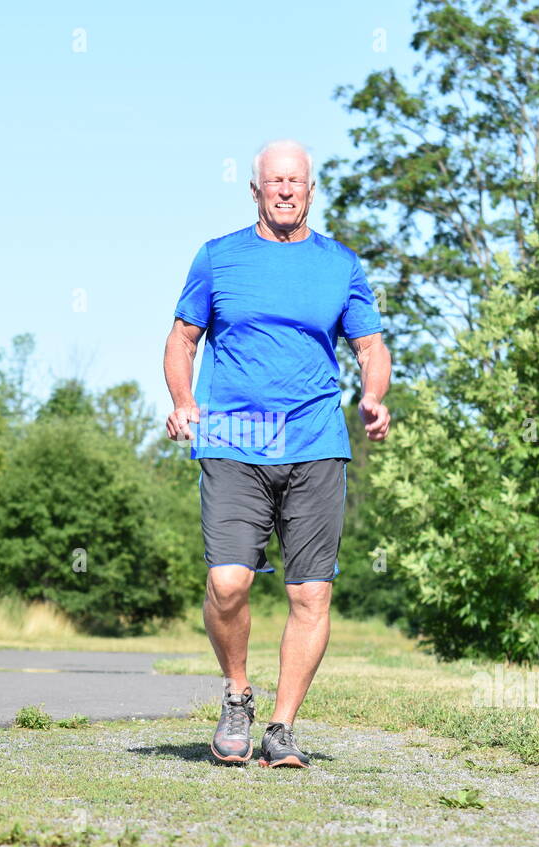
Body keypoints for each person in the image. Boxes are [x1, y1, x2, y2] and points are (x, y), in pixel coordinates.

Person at [162, 138, 392, 768]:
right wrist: (184, 400)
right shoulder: (219, 258)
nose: (286, 190)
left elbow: (371, 347)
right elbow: (182, 339)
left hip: (315, 438)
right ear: (256, 190)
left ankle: (282, 727)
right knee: (228, 582)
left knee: (310, 594)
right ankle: (237, 694)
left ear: (310, 190)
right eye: (275, 182)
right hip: (238, 435)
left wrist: (373, 396)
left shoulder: (339, 265)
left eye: (296, 181)